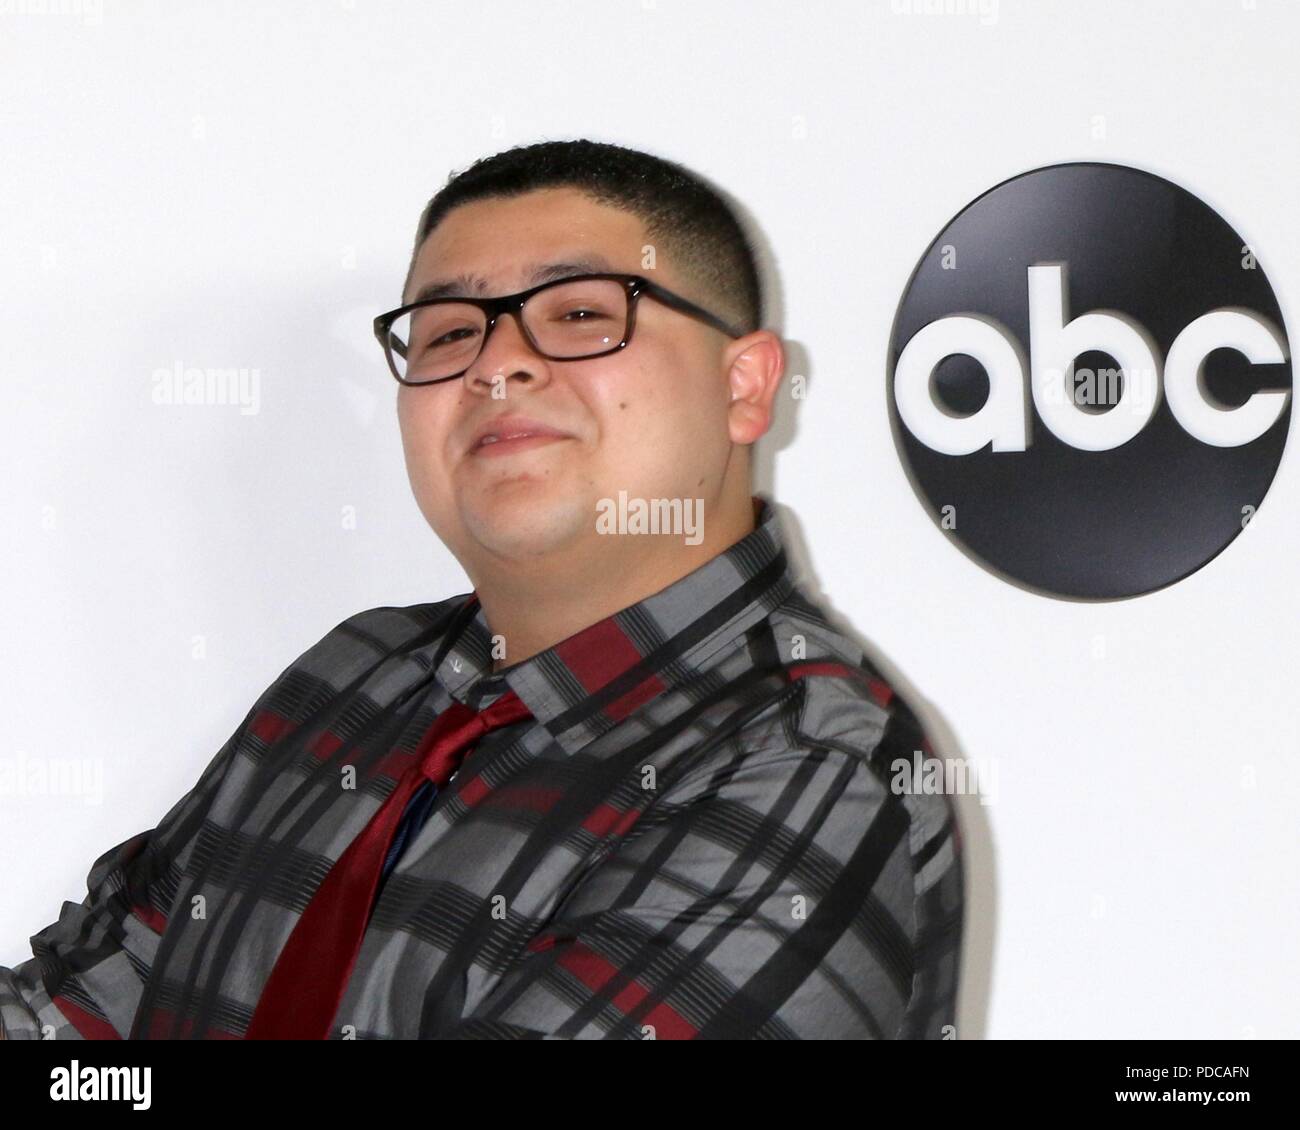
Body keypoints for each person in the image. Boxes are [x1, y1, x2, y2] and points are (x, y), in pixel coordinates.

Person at [0, 138, 963, 1040]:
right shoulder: (357, 675)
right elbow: (81, 1014)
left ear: (746, 388)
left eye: (582, 313)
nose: (498, 365)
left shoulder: (808, 762)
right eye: (450, 331)